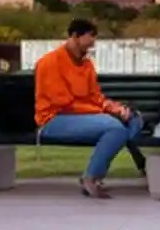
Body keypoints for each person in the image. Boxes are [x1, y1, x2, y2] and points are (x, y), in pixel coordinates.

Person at [35, 18, 144, 199]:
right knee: (115, 128)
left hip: (83, 115)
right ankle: (91, 177)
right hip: (54, 119)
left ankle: (143, 165)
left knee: (131, 120)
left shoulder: (86, 64)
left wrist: (113, 108)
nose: (93, 42)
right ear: (75, 36)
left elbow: (95, 97)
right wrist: (102, 112)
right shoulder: (50, 63)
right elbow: (64, 104)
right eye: (90, 36)